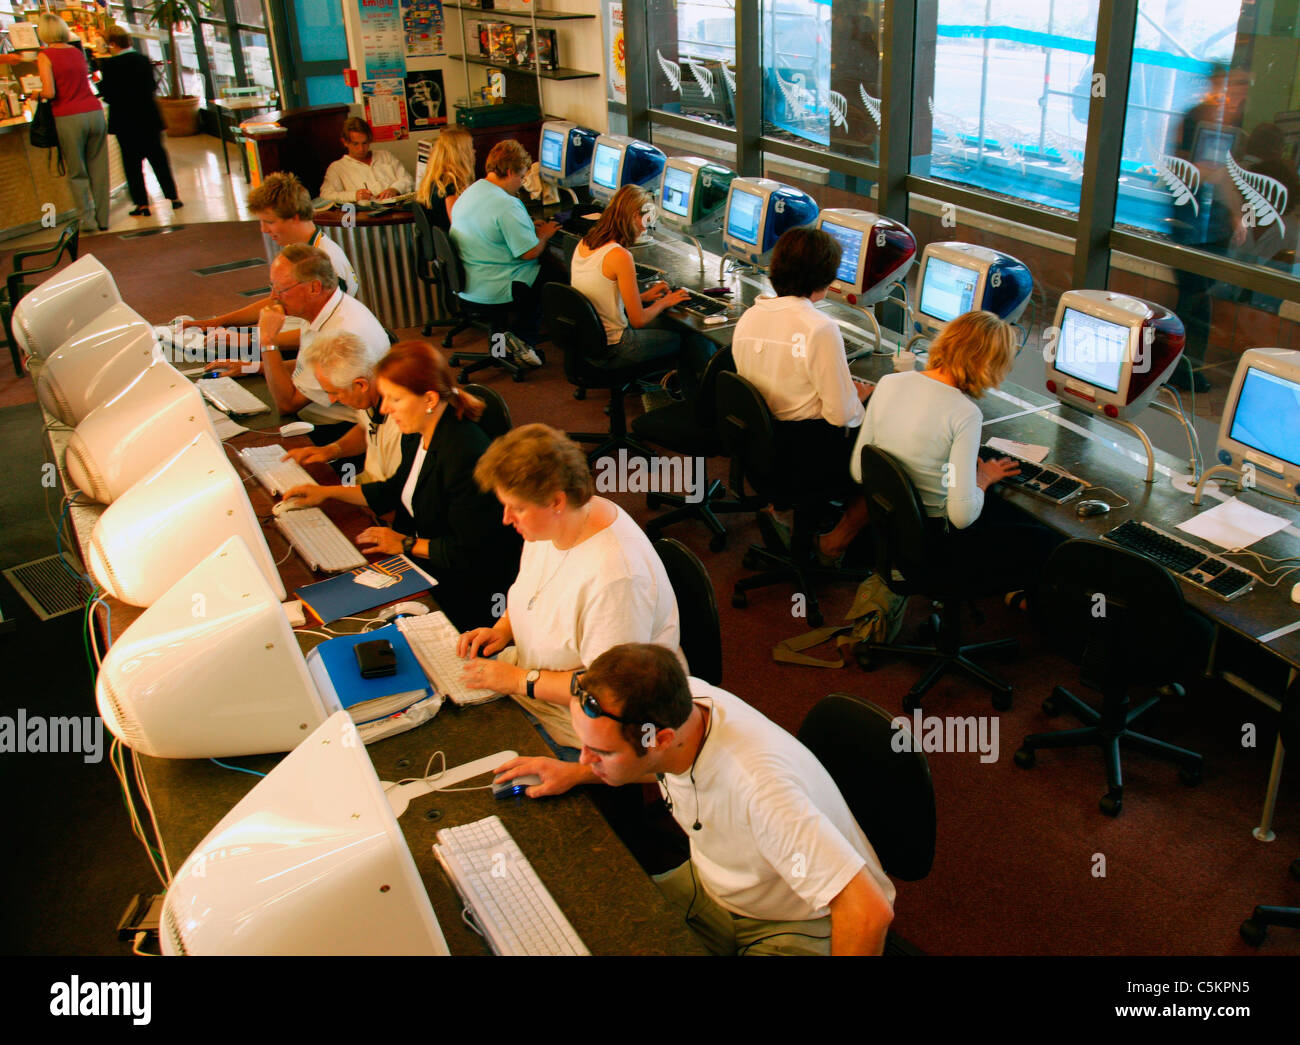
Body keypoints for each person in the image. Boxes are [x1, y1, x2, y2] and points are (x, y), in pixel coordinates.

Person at [492, 643, 897, 956]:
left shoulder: (762, 791)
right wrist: (577, 773)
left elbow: (868, 910)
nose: (585, 757)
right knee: (595, 922)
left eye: (602, 753)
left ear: (660, 739)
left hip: (794, 922)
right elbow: (657, 764)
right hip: (718, 886)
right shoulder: (682, 704)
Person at [456, 424, 682, 752]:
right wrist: (504, 628)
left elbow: (608, 693)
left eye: (516, 507)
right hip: (536, 681)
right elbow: (538, 588)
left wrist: (518, 680)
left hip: (590, 719)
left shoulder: (616, 579)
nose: (506, 518)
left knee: (480, 750)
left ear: (556, 501)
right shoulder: (553, 525)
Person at [282, 342, 521, 630]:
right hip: (427, 561)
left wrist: (405, 543)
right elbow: (394, 489)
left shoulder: (464, 454)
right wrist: (326, 493)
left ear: (429, 399)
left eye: (394, 399)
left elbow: (471, 551)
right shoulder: (418, 432)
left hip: (468, 585)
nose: (384, 408)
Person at [849, 309, 1059, 597]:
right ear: (989, 365)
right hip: (939, 549)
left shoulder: (890, 382)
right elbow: (961, 517)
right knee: (1049, 541)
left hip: (893, 534)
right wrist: (982, 479)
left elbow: (859, 471)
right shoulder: (964, 413)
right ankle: (1025, 604)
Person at [732, 226, 874, 564]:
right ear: (826, 276)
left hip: (762, 455)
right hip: (806, 461)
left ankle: (786, 512)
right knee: (885, 456)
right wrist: (860, 399)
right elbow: (842, 416)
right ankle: (835, 541)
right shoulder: (819, 328)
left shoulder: (750, 315)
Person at [187, 172, 360, 366]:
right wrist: (218, 322)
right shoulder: (299, 249)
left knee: (210, 358)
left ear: (294, 217)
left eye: (269, 222)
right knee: (211, 346)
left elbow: (327, 333)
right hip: (291, 333)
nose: (263, 229)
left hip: (318, 349)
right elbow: (276, 302)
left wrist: (254, 341)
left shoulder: (326, 262)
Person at [251, 244, 390, 439]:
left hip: (338, 429)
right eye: (272, 287)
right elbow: (307, 367)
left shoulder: (339, 334)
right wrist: (256, 366)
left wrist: (267, 342)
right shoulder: (326, 309)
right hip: (317, 416)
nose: (273, 297)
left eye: (281, 289)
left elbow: (287, 404)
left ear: (314, 288)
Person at [1169, 65, 1251, 392]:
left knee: (1198, 298)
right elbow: (1187, 170)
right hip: (1192, 224)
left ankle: (1182, 366)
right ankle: (1181, 367)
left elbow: (1227, 175)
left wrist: (1234, 214)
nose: (1240, 92)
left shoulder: (1231, 123)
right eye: (1237, 83)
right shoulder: (1198, 118)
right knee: (1194, 298)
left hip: (1211, 225)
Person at [569, 183, 710, 374]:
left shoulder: (586, 242)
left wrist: (642, 297)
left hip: (591, 341)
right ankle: (693, 398)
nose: (646, 228)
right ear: (635, 215)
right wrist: (665, 302)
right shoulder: (620, 255)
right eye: (647, 219)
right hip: (617, 346)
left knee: (671, 325)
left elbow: (603, 296)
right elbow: (639, 321)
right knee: (691, 337)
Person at [450, 139, 561, 368]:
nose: (521, 184)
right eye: (521, 177)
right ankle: (524, 342)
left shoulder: (472, 191)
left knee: (546, 272)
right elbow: (529, 252)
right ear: (510, 172)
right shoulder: (507, 204)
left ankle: (501, 349)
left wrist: (527, 225)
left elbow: (490, 226)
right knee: (554, 277)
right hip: (497, 287)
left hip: (471, 283)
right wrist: (545, 235)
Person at [281, 329, 402, 484]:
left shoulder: (401, 420)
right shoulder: (370, 394)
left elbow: (391, 493)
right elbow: (366, 427)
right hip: (368, 482)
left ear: (360, 385)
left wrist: (327, 493)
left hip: (386, 493)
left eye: (336, 393)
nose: (332, 400)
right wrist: (332, 450)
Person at [95, 25, 180, 218]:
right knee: (158, 159)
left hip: (125, 121)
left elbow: (108, 95)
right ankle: (173, 197)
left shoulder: (109, 66)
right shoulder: (143, 60)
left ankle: (142, 204)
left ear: (113, 44)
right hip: (148, 117)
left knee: (132, 165)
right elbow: (151, 86)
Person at [36, 14, 108, 232]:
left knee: (77, 172)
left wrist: (35, 94)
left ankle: (87, 220)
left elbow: (49, 91)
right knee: (99, 169)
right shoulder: (77, 52)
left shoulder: (45, 55)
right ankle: (103, 220)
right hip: (94, 112)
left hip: (68, 116)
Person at [319, 116, 414, 203]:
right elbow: (326, 195)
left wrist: (394, 189)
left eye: (364, 143)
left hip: (398, 213)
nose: (361, 149)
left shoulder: (385, 156)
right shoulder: (337, 168)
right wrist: (354, 195)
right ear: (345, 142)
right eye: (355, 144)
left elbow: (408, 179)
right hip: (366, 218)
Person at [415, 125, 474, 231]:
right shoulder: (451, 185)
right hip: (453, 244)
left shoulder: (434, 181)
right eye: (470, 148)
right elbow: (459, 227)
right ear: (460, 154)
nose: (474, 151)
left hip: (439, 245)